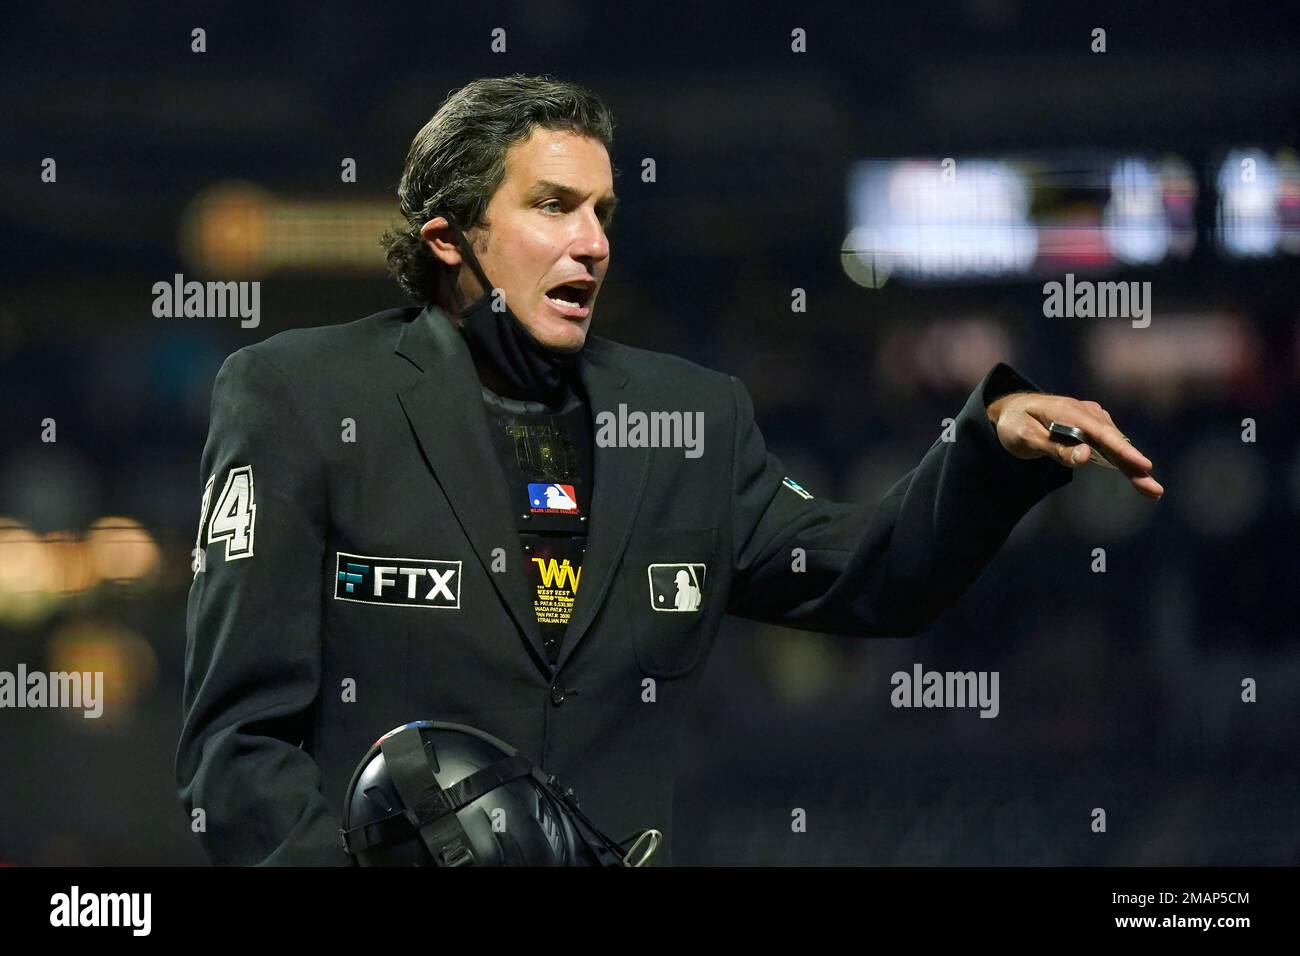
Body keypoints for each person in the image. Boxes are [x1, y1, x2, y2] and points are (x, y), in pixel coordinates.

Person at [175, 74, 1163, 867]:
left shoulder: (690, 415)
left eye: (603, 211)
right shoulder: (296, 398)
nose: (593, 242)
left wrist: (984, 440)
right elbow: (236, 753)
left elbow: (871, 572)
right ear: (449, 237)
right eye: (553, 206)